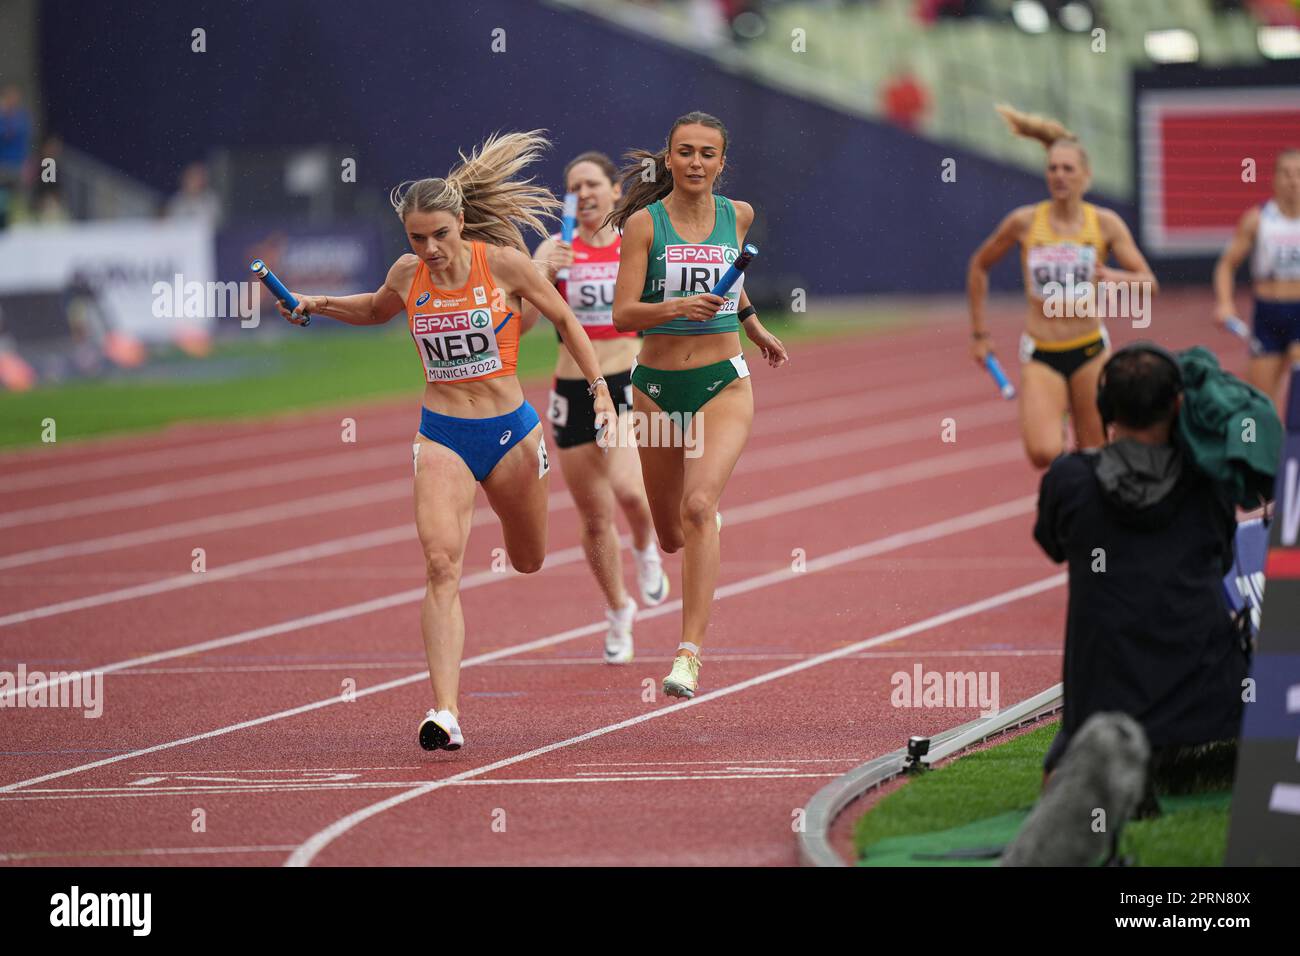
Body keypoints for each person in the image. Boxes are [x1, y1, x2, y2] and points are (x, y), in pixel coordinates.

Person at [277, 131, 615, 751]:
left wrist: (598, 387)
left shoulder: (505, 265)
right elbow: (379, 309)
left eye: (440, 235)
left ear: (462, 225)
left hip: (511, 433)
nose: (429, 249)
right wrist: (317, 303)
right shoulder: (408, 273)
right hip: (443, 435)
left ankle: (529, 563)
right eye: (417, 238)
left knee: (528, 558)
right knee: (440, 564)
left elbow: (564, 319)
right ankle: (445, 713)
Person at [609, 111, 788, 700]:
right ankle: (699, 526)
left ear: (721, 162)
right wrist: (674, 308)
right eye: (684, 152)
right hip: (657, 388)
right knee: (669, 534)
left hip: (722, 380)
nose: (695, 163)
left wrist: (753, 326)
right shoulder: (643, 225)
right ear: (668, 159)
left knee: (699, 503)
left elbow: (729, 287)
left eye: (707, 153)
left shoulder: (738, 216)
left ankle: (688, 654)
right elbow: (623, 315)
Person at [1033, 342, 1246, 774]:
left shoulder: (1070, 480)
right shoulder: (1209, 480)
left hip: (1104, 717)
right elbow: (1223, 561)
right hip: (1214, 716)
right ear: (1178, 406)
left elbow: (1052, 544)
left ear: (1104, 408)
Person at [521, 151, 669, 666]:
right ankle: (617, 609)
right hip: (571, 391)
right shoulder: (555, 248)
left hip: (626, 380)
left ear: (613, 192)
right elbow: (520, 326)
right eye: (573, 186)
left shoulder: (635, 244)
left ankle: (646, 547)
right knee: (592, 515)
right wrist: (541, 272)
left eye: (591, 184)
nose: (582, 193)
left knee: (630, 489)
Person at [968, 105, 1159, 469]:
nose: (1059, 175)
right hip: (1042, 352)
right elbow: (979, 265)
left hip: (1090, 351)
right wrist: (980, 334)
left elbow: (1149, 285)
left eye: (1068, 169)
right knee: (1043, 451)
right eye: (1052, 168)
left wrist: (1116, 279)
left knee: (1097, 456)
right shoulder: (1024, 222)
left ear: (1085, 176)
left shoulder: (1104, 224)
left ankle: (1082, 516)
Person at [1213, 148, 1300, 414]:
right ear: (1274, 179)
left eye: (1298, 174)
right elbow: (1226, 265)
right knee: (1261, 403)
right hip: (1268, 315)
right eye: (1286, 174)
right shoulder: (1257, 219)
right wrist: (1225, 303)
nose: (1293, 180)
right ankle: (1270, 453)